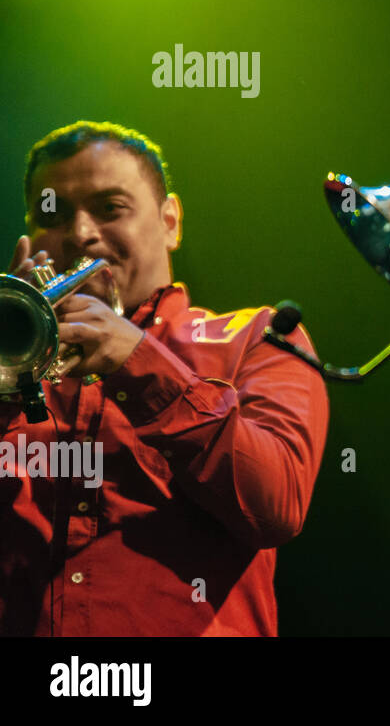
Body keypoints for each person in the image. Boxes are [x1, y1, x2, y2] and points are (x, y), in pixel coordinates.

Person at [0, 121, 329, 635]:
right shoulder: (12, 369)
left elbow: (275, 506)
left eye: (110, 208)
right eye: (54, 215)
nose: (81, 233)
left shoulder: (257, 337)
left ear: (170, 221)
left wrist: (136, 361)